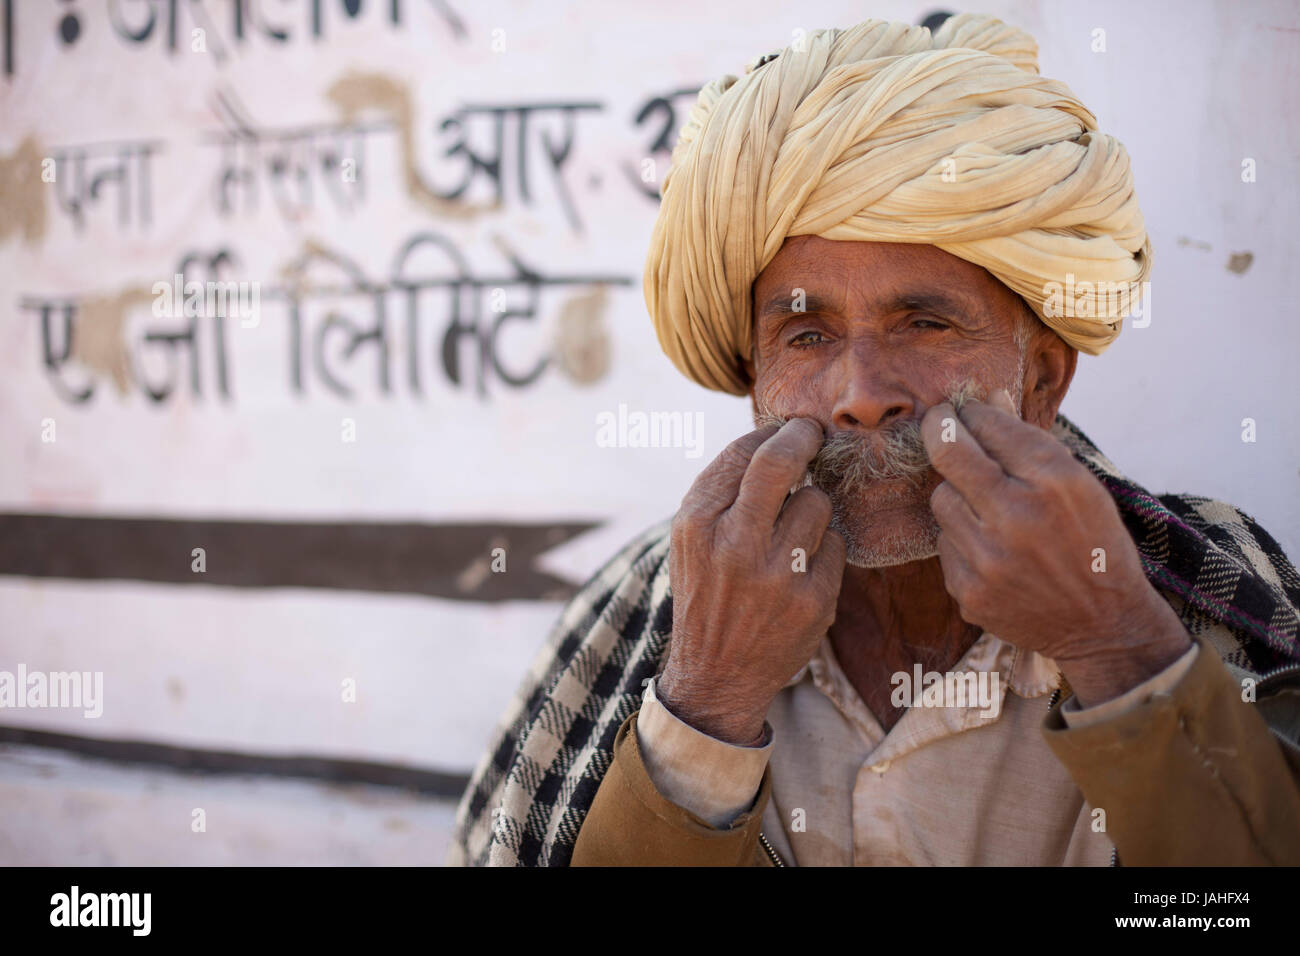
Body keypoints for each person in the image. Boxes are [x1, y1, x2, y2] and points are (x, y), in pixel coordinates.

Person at [447, 12, 1300, 866]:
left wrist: (1114, 645)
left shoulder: (1188, 590)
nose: (860, 396)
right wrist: (706, 703)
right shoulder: (647, 616)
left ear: (1041, 380)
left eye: (924, 324)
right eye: (806, 335)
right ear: (756, 383)